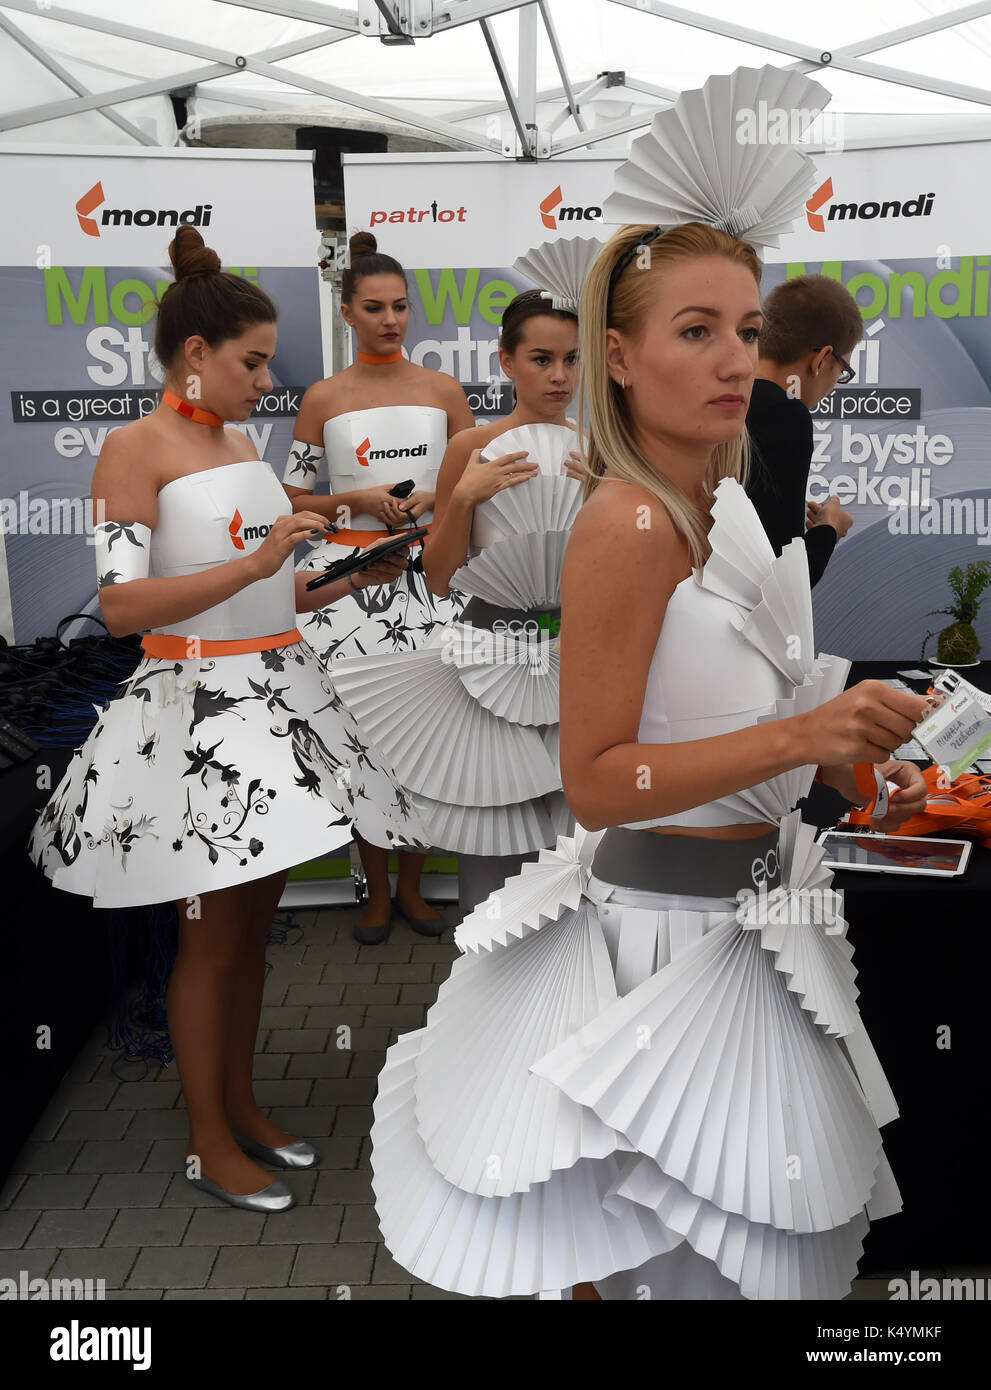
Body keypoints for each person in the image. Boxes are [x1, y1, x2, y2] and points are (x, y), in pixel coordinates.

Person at [367, 221, 932, 1301]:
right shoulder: (625, 521)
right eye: (696, 329)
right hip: (659, 957)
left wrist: (849, 763)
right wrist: (804, 737)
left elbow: (724, 718)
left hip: (744, 933)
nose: (733, 358)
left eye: (748, 330)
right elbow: (594, 776)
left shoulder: (716, 507)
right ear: (617, 356)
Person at [30, 226, 426, 1213]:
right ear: (196, 353)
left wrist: (346, 570)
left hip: (274, 702)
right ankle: (206, 1138)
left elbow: (268, 595)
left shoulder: (237, 444)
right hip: (192, 716)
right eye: (253, 362)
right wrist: (259, 563)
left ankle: (241, 1106)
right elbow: (122, 604)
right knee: (210, 938)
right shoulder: (132, 449)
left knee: (250, 928)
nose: (265, 382)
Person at [332, 287, 584, 915]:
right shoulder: (469, 448)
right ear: (506, 362)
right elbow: (440, 577)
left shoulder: (600, 447)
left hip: (579, 662)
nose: (559, 376)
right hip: (486, 660)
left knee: (576, 843)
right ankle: (488, 989)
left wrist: (607, 493)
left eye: (572, 359)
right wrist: (465, 497)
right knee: (494, 836)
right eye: (541, 358)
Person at [283, 231, 473, 944]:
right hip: (348, 590)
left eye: (399, 306)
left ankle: (417, 890)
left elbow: (472, 485)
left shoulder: (442, 391)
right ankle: (371, 889)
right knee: (360, 737)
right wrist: (355, 497)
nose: (390, 319)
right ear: (347, 312)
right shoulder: (324, 398)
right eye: (374, 307)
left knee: (424, 734)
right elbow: (291, 494)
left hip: (429, 580)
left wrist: (432, 499)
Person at [746, 273, 859, 586]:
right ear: (822, 359)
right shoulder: (786, 414)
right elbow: (784, 581)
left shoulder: (720, 399)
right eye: (843, 371)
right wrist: (829, 529)